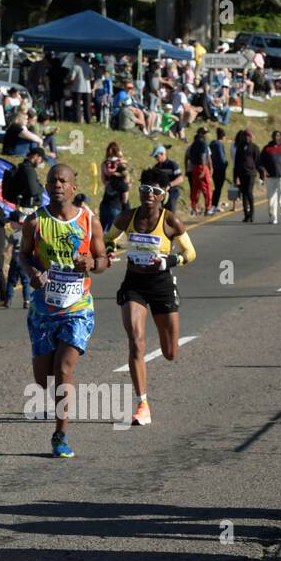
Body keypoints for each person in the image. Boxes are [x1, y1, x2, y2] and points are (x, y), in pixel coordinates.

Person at [21, 163, 110, 457]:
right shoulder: (34, 223)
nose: (57, 184)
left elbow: (103, 259)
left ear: (73, 187)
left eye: (63, 181)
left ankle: (61, 433)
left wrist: (92, 264)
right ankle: (59, 404)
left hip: (78, 307)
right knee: (43, 378)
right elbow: (22, 257)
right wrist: (32, 273)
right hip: (43, 310)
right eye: (52, 181)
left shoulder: (89, 221)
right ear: (46, 187)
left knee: (64, 368)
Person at [106, 167, 196, 426]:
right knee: (136, 340)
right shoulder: (127, 218)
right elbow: (109, 239)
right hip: (134, 284)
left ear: (163, 195)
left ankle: (166, 341)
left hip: (162, 286)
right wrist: (111, 250)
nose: (149, 194)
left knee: (170, 352)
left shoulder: (171, 221)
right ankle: (142, 403)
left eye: (155, 191)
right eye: (145, 189)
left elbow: (190, 253)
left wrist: (170, 260)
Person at [259, 130, 281, 225]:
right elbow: (260, 162)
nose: (276, 137)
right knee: (271, 198)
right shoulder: (267, 149)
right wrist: (263, 171)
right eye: (274, 136)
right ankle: (273, 218)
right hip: (270, 177)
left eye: (278, 136)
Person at [233, 128, 260, 222]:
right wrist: (235, 176)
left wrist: (261, 173)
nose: (246, 138)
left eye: (248, 136)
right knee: (244, 193)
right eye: (245, 136)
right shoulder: (240, 147)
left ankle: (252, 213)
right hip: (241, 173)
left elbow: (257, 161)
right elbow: (236, 162)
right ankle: (246, 214)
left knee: (249, 192)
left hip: (251, 173)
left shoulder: (254, 147)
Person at [186, 126, 212, 216]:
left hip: (194, 167)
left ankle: (194, 207)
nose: (206, 135)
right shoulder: (203, 144)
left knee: (195, 188)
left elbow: (188, 157)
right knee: (206, 188)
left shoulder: (193, 144)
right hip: (201, 166)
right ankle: (207, 208)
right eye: (204, 133)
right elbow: (203, 156)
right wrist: (205, 169)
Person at [150, 143, 183, 214]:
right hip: (160, 191)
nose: (155, 158)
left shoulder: (173, 165)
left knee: (170, 209)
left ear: (162, 154)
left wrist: (169, 185)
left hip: (172, 191)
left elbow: (180, 178)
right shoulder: (156, 167)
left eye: (156, 156)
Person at [209, 128, 228, 213]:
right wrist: (226, 163)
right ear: (223, 136)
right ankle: (214, 205)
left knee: (216, 187)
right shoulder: (219, 145)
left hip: (213, 167)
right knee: (218, 188)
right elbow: (221, 158)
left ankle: (214, 204)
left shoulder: (212, 144)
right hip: (220, 168)